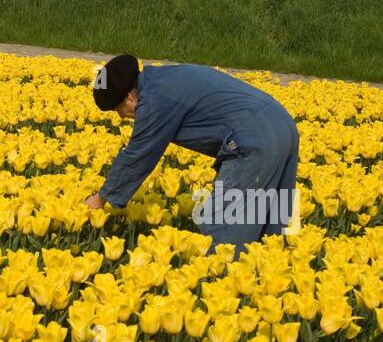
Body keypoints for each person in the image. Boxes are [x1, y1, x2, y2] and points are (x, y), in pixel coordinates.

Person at [84, 54, 300, 252]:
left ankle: (223, 289)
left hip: (254, 137)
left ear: (130, 97)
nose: (121, 117)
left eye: (117, 110)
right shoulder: (164, 78)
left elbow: (137, 154)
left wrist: (101, 198)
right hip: (283, 124)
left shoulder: (154, 99)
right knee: (273, 232)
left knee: (222, 237)